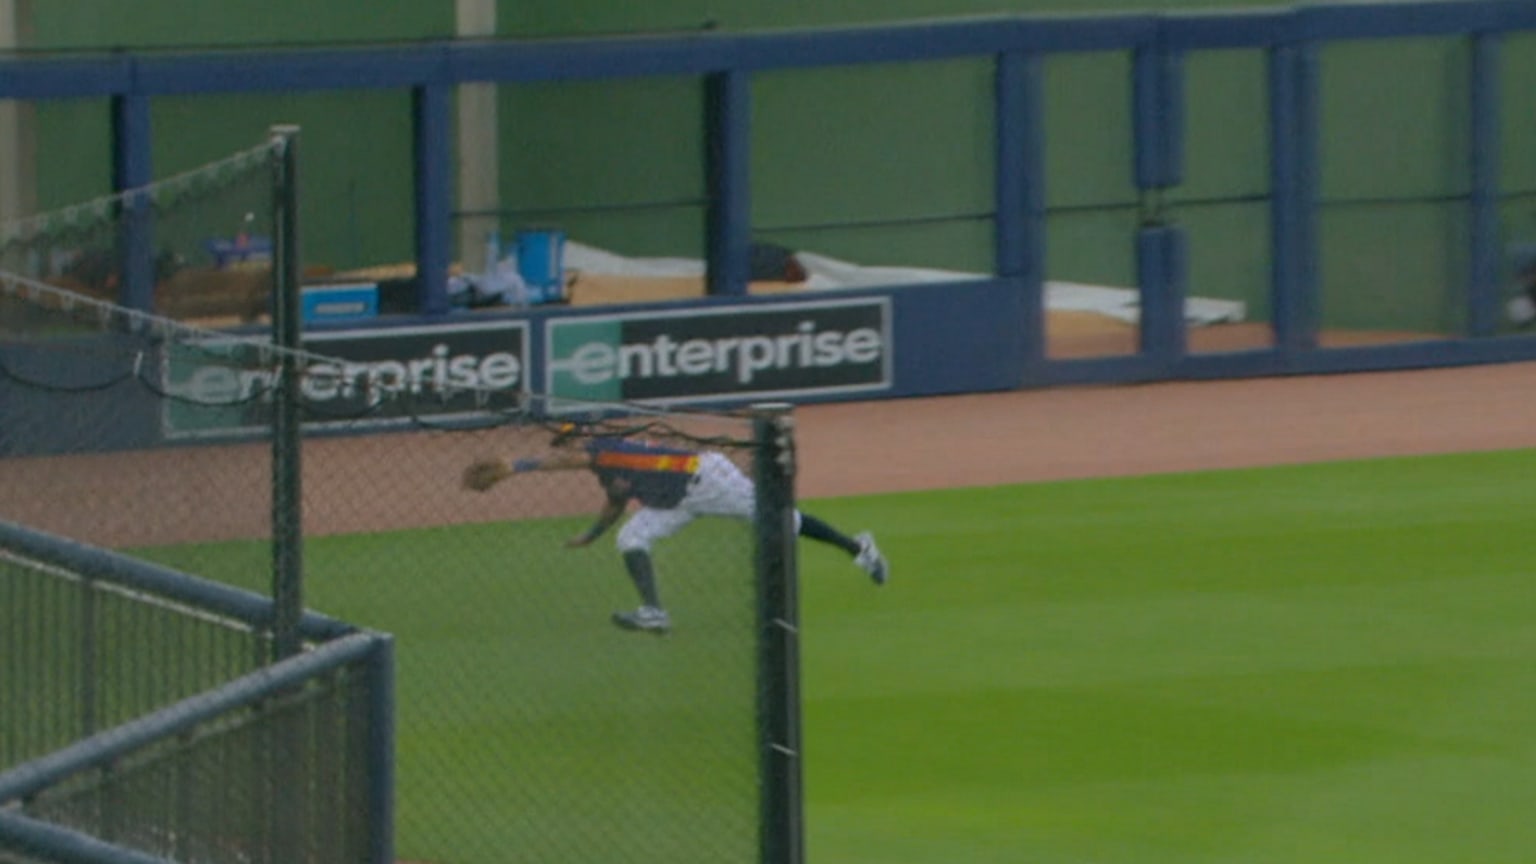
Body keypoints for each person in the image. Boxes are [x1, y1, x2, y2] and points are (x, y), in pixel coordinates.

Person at [485, 422, 887, 634]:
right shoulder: (605, 470)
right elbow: (614, 505)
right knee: (631, 536)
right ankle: (653, 612)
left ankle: (859, 548)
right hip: (678, 501)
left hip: (706, 479)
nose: (568, 449)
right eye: (564, 443)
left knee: (782, 521)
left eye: (570, 442)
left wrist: (515, 468)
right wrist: (590, 537)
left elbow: (564, 463)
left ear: (583, 439)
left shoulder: (604, 448)